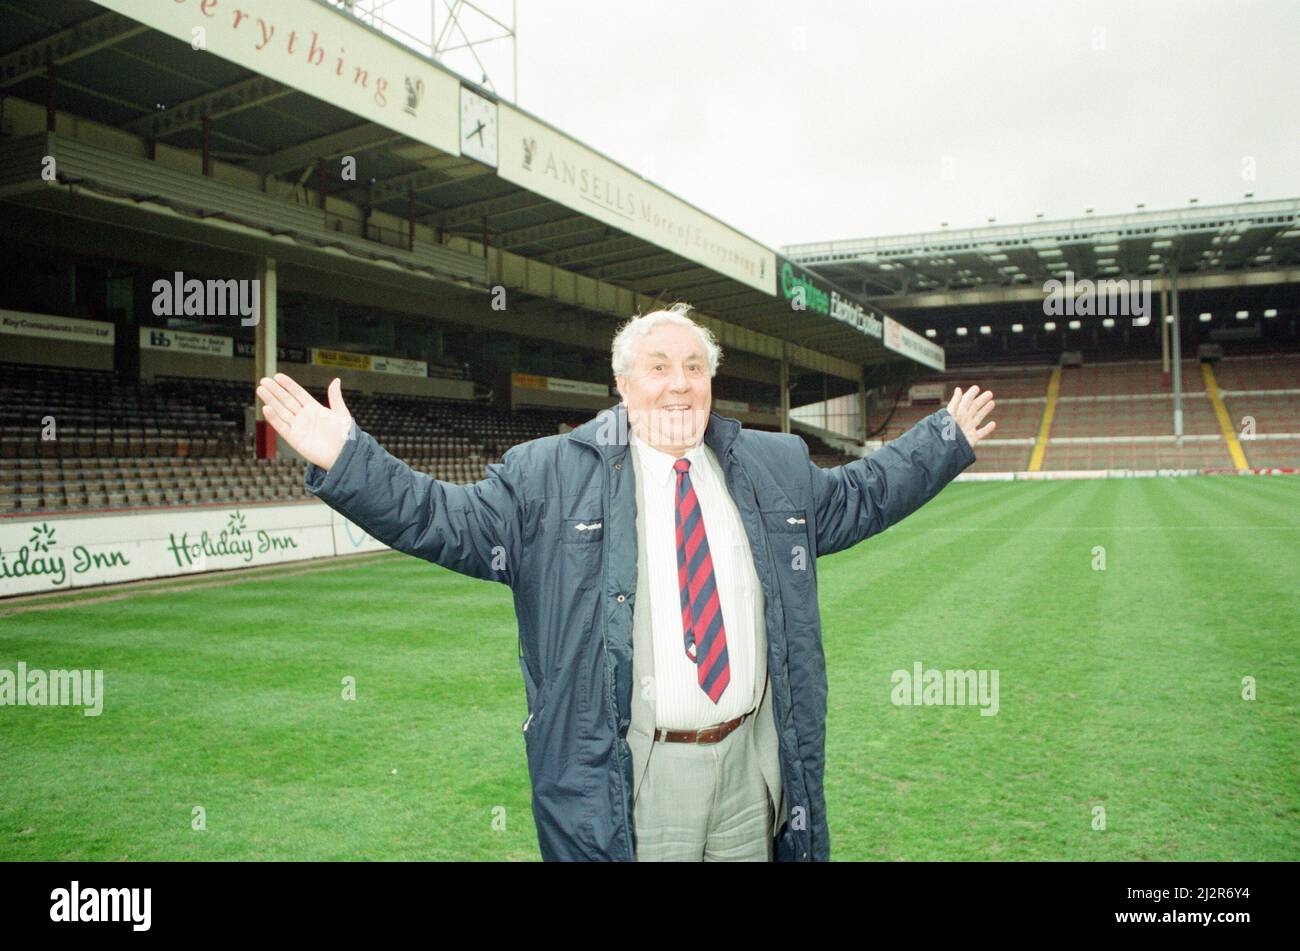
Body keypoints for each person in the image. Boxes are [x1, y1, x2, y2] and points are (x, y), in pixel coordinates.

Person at [255, 303, 995, 861]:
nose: (680, 385)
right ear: (623, 381)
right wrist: (347, 460)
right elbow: (440, 519)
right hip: (641, 777)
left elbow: (862, 495)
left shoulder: (774, 468)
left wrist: (943, 440)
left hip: (751, 767)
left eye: (695, 367)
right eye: (660, 366)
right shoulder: (548, 476)